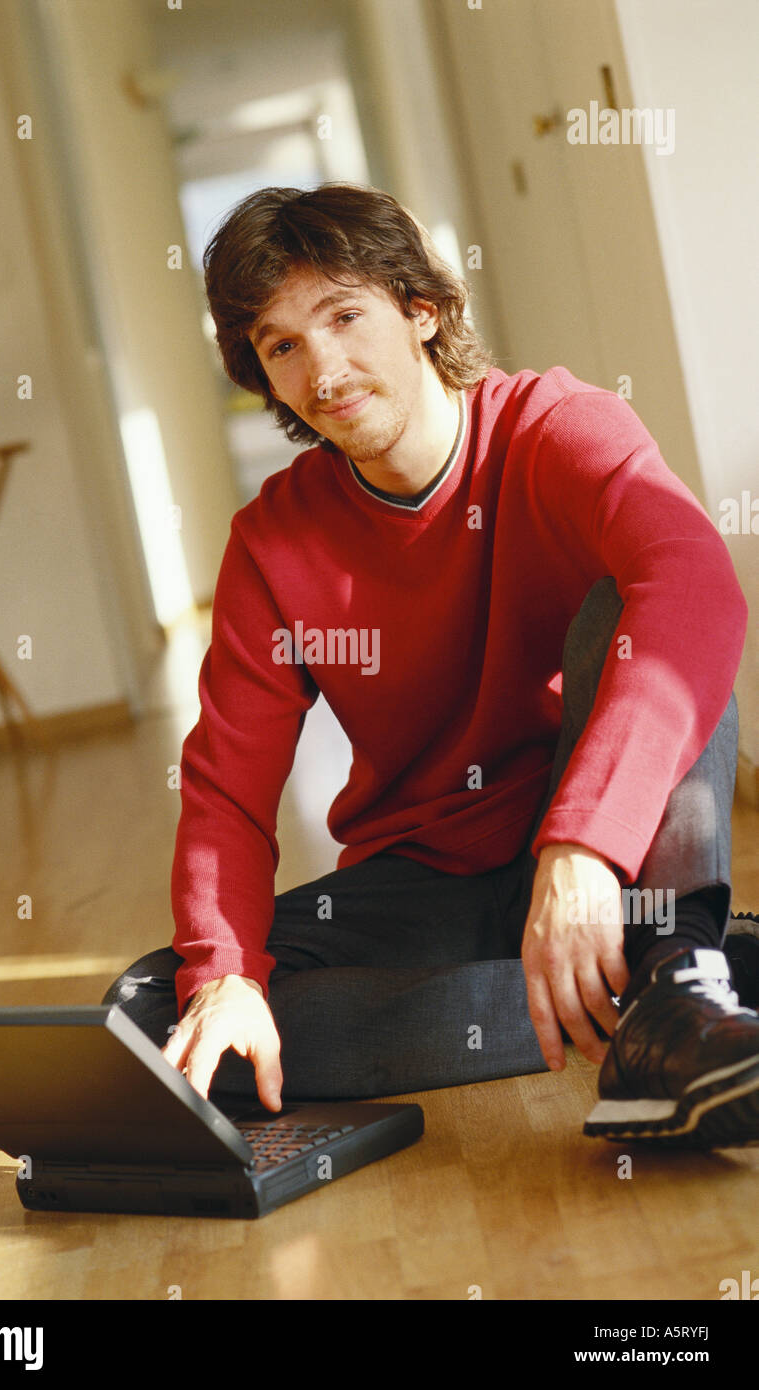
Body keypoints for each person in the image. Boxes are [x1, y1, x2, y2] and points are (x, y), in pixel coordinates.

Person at [103, 183, 759, 1148]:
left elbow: (699, 586)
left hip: (604, 848)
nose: (323, 367)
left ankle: (666, 967)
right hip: (436, 874)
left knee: (640, 605)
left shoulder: (556, 428)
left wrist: (582, 849)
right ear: (265, 377)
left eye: (343, 314)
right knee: (153, 1012)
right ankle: (668, 997)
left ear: (423, 310)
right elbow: (227, 794)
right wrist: (228, 979)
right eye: (282, 344)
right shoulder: (272, 543)